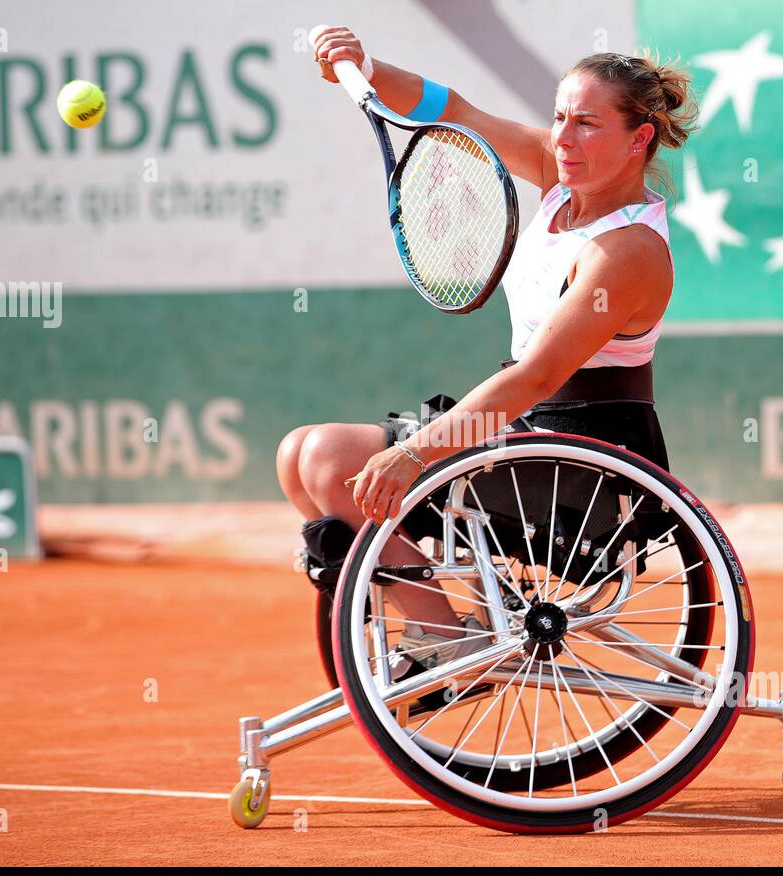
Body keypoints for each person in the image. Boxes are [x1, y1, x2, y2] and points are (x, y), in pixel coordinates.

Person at [282, 26, 698, 672]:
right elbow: (455, 112)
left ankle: (449, 638)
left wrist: (416, 453)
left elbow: (536, 377)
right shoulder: (560, 182)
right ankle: (439, 625)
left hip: (581, 475)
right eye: (559, 117)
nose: (563, 138)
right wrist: (362, 65)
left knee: (329, 461)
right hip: (523, 437)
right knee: (298, 457)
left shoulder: (630, 251)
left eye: (587, 123)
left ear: (639, 139)